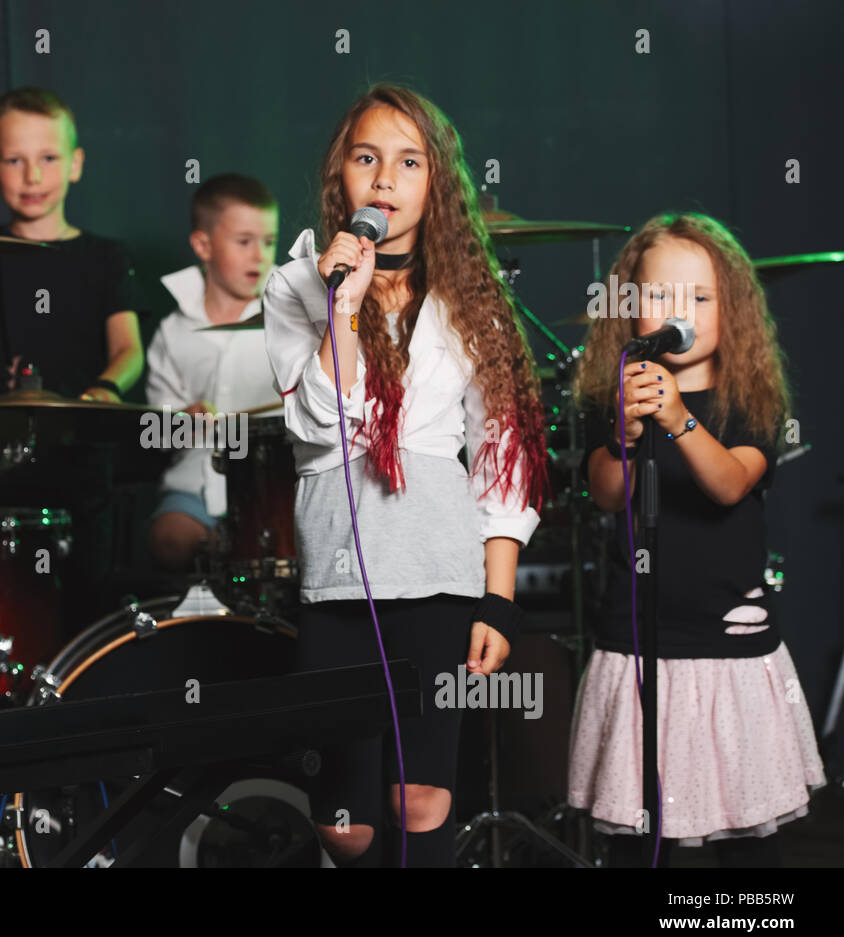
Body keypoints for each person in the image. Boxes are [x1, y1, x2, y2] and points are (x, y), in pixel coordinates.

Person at [263, 85, 548, 867]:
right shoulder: (296, 287)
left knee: (420, 797)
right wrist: (343, 309)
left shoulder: (474, 301)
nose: (385, 178)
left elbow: (503, 454)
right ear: (340, 176)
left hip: (441, 577)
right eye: (367, 158)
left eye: (408, 161)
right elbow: (323, 424)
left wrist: (498, 595)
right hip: (339, 582)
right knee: (345, 823)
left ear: (437, 182)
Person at [568, 212, 825, 867]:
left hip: (729, 646)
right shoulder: (619, 393)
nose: (680, 311)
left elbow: (731, 482)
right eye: (659, 296)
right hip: (639, 641)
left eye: (700, 297)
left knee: (746, 834)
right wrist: (623, 435)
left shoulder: (748, 401)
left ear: (731, 310)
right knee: (634, 834)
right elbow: (603, 490)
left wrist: (678, 419)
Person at [0, 87, 145, 633]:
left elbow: (129, 349)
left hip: (76, 466)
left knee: (82, 616)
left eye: (48, 158)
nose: (32, 176)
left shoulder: (106, 257)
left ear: (75, 165)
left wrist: (105, 387)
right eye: (14, 159)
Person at [146, 173, 280, 571]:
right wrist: (180, 422)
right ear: (203, 245)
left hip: (273, 488)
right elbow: (155, 430)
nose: (260, 255)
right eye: (244, 242)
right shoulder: (172, 332)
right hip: (197, 489)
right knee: (169, 539)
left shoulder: (291, 318)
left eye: (269, 242)